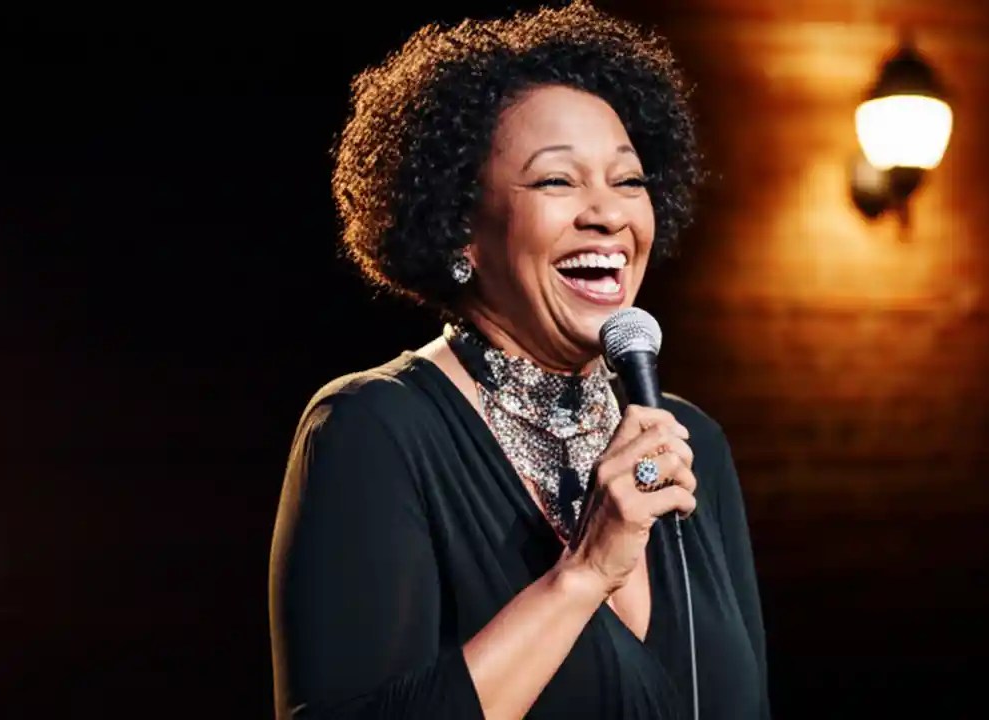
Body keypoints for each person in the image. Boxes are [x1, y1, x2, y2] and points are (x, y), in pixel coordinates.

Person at [268, 2, 769, 717]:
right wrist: (584, 573)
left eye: (628, 182)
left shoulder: (689, 444)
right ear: (458, 229)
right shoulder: (372, 429)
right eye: (557, 182)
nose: (609, 214)